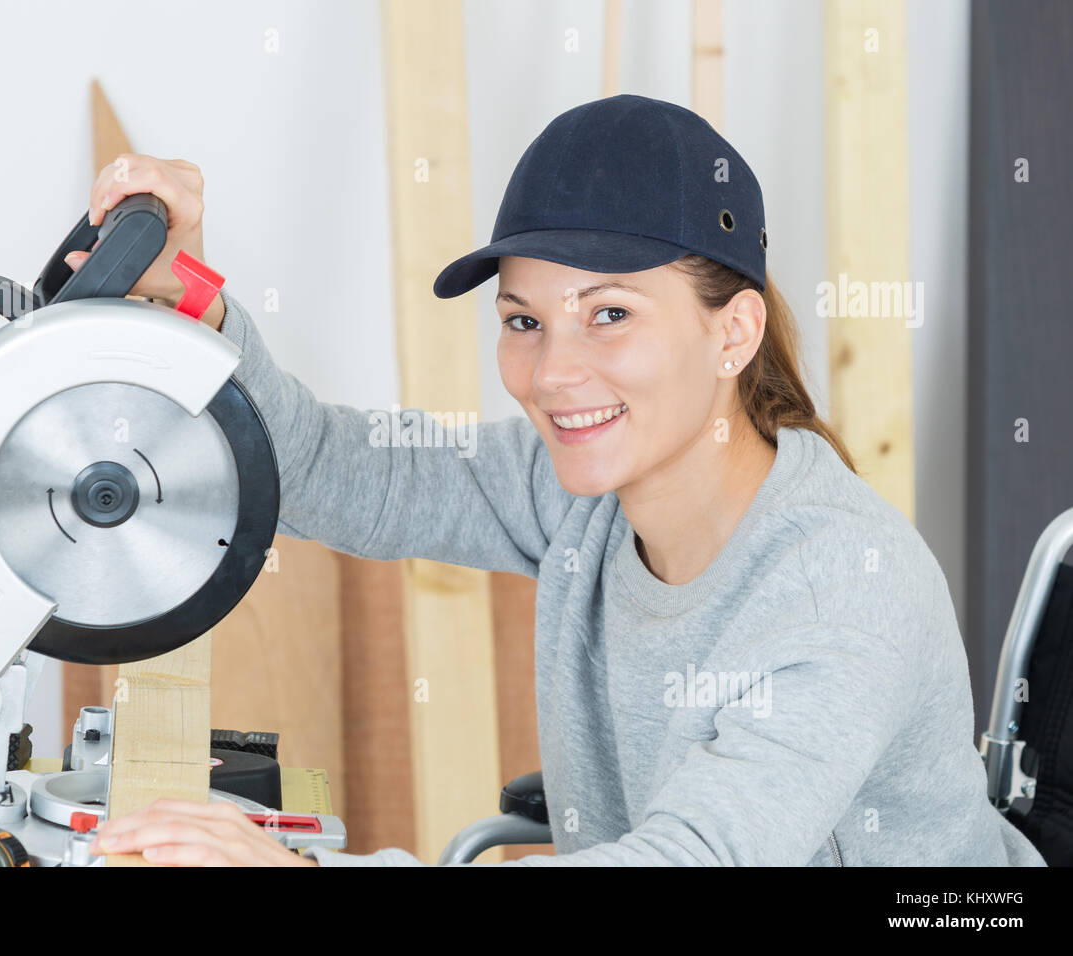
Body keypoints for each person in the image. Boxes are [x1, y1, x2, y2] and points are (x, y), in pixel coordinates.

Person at [74, 95, 1047, 867]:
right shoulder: (576, 490)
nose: (551, 374)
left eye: (609, 313)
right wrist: (189, 296)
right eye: (523, 319)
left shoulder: (841, 586)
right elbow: (332, 467)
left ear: (733, 330)